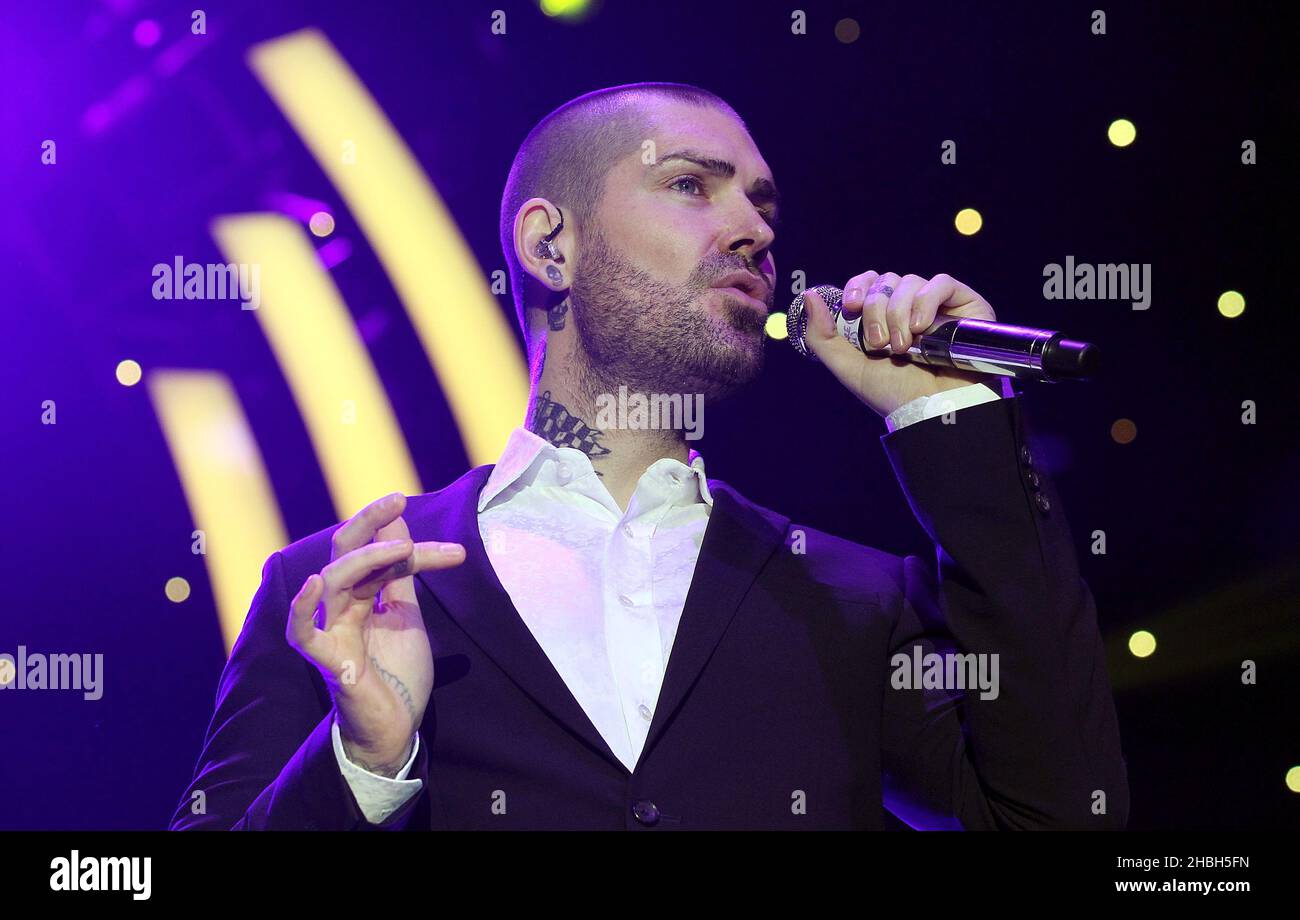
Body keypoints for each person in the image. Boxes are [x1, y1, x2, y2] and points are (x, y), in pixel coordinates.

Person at [170, 82, 1128, 830]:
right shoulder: (349, 587)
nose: (754, 229)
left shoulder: (848, 597)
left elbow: (1057, 818)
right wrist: (365, 763)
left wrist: (947, 421)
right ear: (551, 245)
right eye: (689, 186)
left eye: (761, 204)